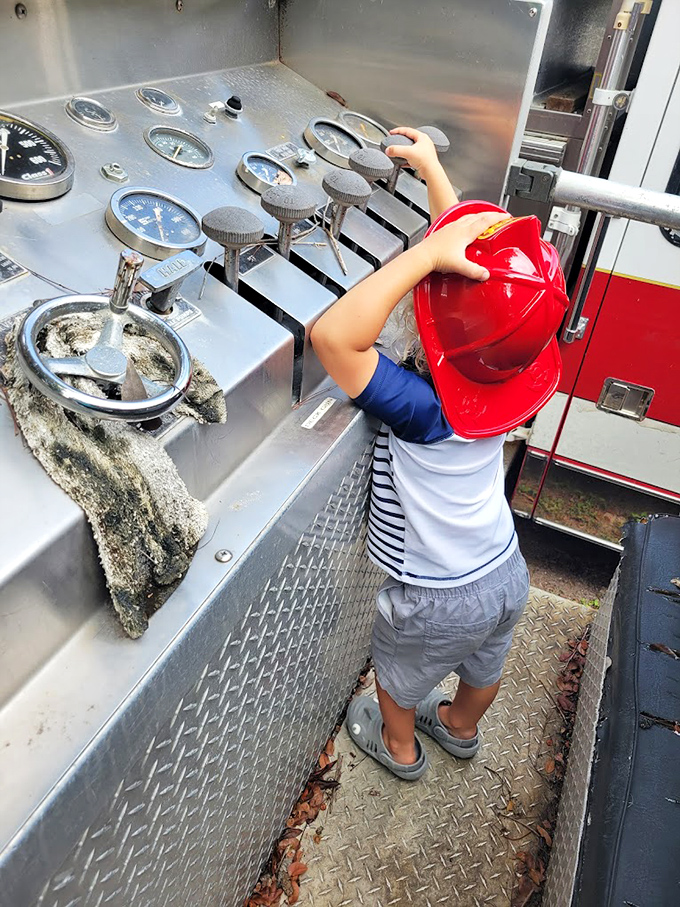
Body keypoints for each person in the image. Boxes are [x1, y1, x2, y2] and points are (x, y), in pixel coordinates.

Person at [310, 127, 534, 780]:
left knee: (398, 676)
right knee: (484, 668)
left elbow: (334, 338)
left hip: (437, 595)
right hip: (503, 570)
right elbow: (471, 267)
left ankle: (400, 747)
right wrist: (433, 171)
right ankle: (460, 729)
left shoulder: (425, 408)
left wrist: (421, 259)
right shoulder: (508, 384)